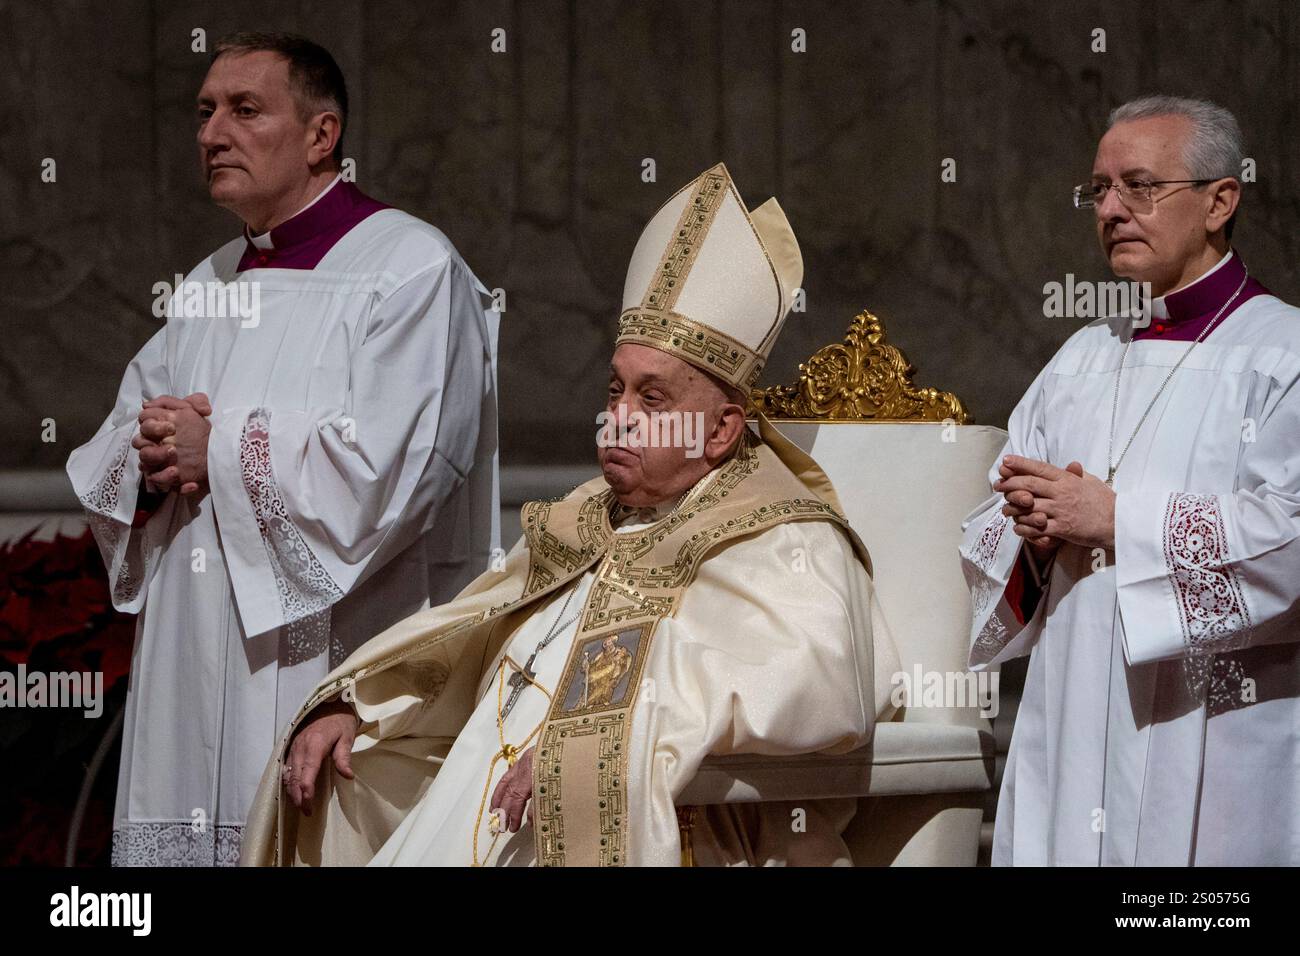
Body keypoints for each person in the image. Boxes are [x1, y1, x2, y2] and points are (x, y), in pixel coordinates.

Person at [240, 162, 900, 867]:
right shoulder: (583, 519)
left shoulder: (781, 534)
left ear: (721, 432)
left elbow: (824, 688)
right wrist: (362, 707)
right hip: (476, 800)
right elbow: (461, 659)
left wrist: (586, 754)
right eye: (615, 388)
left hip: (673, 826)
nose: (615, 419)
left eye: (653, 400)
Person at [65, 32, 499, 866]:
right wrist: (150, 458)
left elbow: (392, 474)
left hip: (326, 663)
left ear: (320, 134)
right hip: (193, 662)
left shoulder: (409, 268)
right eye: (203, 112)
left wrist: (215, 450)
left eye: (243, 109)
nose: (210, 133)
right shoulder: (207, 283)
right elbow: (122, 437)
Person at [962, 95, 1300, 865]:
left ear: (1220, 200)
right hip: (1076, 704)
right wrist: (1030, 532)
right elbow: (994, 514)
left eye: (1140, 186)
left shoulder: (1284, 355)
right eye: (1098, 190)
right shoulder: (1079, 358)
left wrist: (1121, 523)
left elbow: (1291, 536)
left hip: (1214, 720)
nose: (1111, 209)